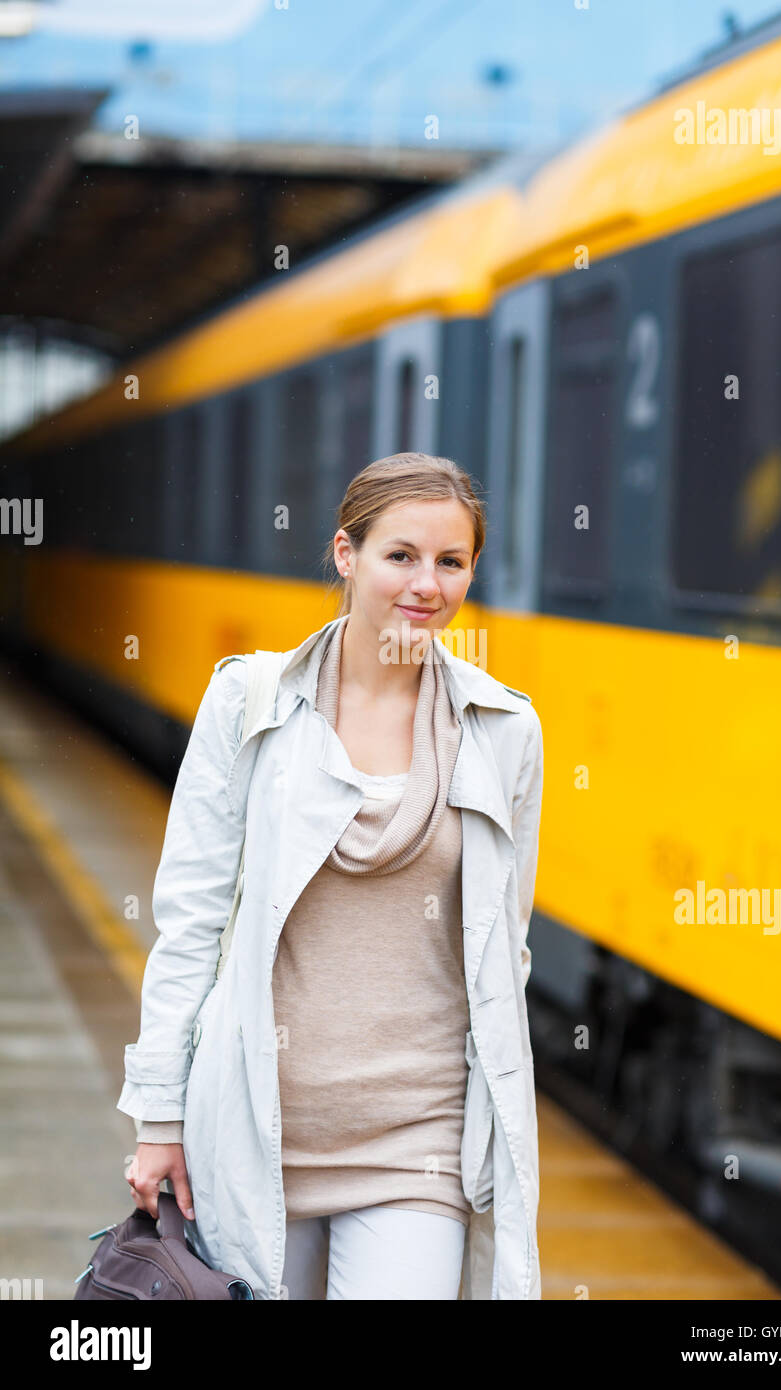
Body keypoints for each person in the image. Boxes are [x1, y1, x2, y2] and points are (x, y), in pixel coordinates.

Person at [120, 451, 544, 1299]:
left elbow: (507, 953)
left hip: (416, 1146)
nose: (428, 584)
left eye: (451, 562)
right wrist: (159, 1114)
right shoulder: (250, 703)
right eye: (401, 556)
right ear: (346, 556)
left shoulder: (504, 730)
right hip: (254, 1137)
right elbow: (192, 922)